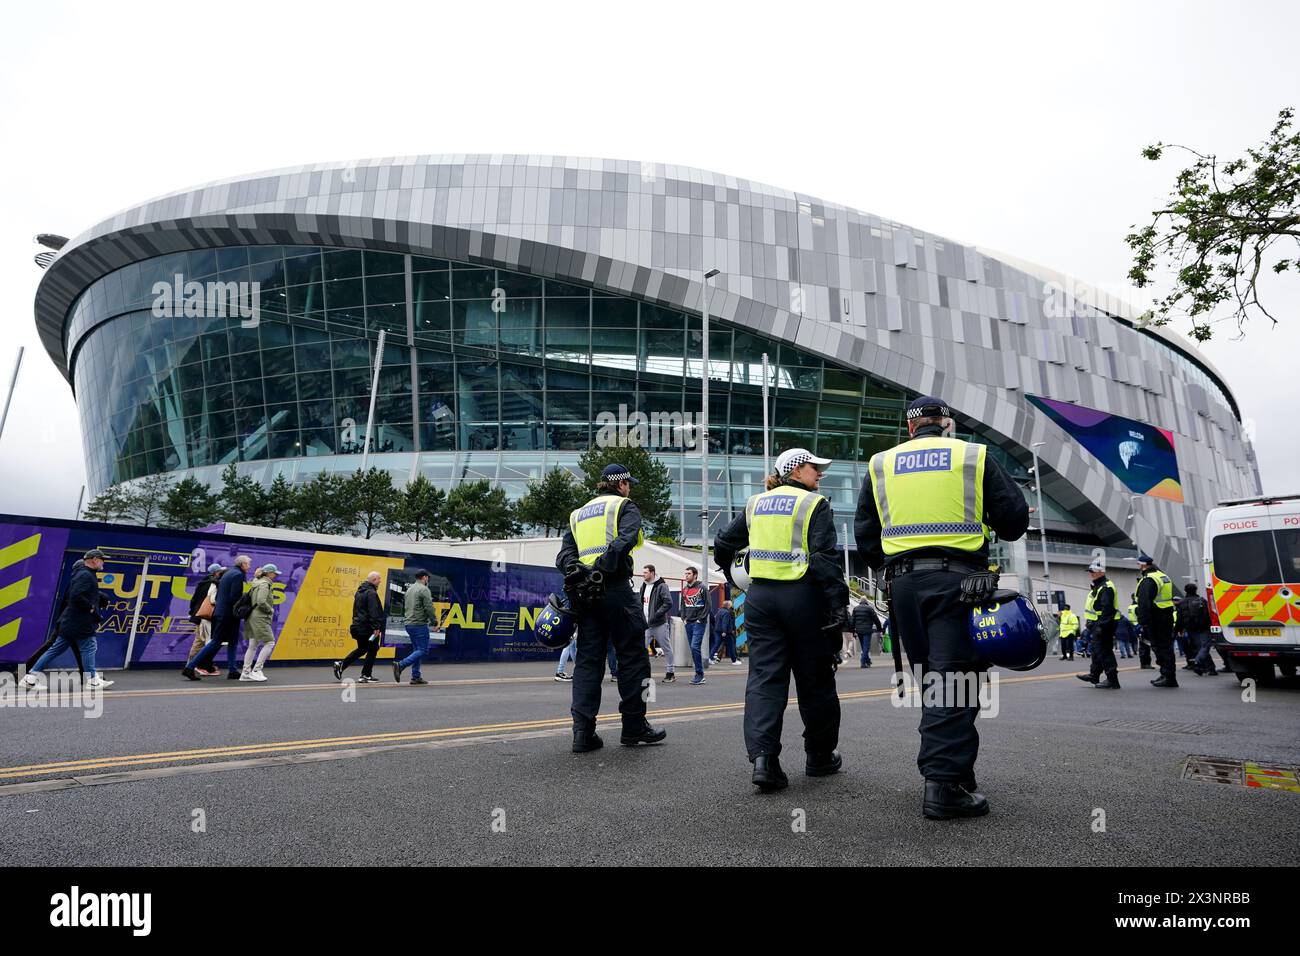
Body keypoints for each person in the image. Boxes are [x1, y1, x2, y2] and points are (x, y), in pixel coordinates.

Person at [853, 396, 1029, 819]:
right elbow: (1014, 520)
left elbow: (865, 534)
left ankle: (956, 769)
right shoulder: (973, 455)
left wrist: (894, 568)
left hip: (905, 586)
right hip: (959, 581)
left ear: (910, 428)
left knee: (935, 677)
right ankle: (943, 786)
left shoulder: (881, 464)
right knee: (954, 678)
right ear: (946, 424)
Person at [716, 447, 848, 793]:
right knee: (815, 679)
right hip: (803, 597)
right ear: (795, 470)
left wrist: (734, 579)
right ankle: (819, 757)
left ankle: (764, 761)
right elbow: (824, 558)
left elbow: (724, 542)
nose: (819, 473)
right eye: (813, 467)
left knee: (764, 678)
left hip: (760, 600)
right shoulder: (813, 505)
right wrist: (838, 607)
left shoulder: (755, 503)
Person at [556, 463, 666, 753]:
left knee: (588, 663)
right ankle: (634, 727)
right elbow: (627, 538)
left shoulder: (577, 515)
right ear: (621, 484)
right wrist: (604, 566)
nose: (630, 487)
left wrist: (578, 571)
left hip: (586, 595)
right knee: (634, 659)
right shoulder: (625, 506)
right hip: (616, 590)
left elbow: (565, 555)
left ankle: (582, 733)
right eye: (628, 483)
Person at [21, 550, 112, 689]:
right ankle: (93, 680)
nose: (103, 562)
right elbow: (76, 596)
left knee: (54, 650)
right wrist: (91, 608)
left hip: (70, 622)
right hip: (79, 621)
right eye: (101, 559)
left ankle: (30, 677)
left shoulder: (83, 575)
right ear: (94, 559)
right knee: (89, 647)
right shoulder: (85, 575)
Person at [183, 555, 252, 680]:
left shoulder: (228, 573)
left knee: (232, 642)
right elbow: (234, 597)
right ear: (242, 564)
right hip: (229, 614)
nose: (249, 566)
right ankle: (190, 667)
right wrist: (244, 601)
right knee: (216, 641)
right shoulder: (238, 575)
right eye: (248, 564)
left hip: (221, 612)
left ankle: (232, 670)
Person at [1136, 553, 1178, 688]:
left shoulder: (1148, 579)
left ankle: (1168, 676)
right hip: (1166, 616)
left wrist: (1143, 622)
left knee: (1160, 647)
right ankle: (1166, 674)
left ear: (1143, 565)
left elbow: (1144, 602)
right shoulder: (1163, 576)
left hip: (1156, 618)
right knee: (1166, 647)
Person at [334, 571, 385, 683]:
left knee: (363, 648)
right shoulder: (371, 593)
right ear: (373, 580)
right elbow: (373, 611)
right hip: (368, 627)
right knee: (373, 649)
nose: (380, 581)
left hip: (358, 626)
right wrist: (376, 627)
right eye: (379, 579)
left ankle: (342, 664)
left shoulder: (360, 592)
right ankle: (366, 675)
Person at [1077, 561, 1121, 690]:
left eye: (1093, 572)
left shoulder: (1106, 587)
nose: (1091, 574)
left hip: (1104, 623)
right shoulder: (1098, 586)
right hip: (1098, 623)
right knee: (1097, 651)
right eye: (1090, 572)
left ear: (1101, 572)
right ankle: (1094, 675)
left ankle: (1112, 680)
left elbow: (1107, 609)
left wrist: (1101, 626)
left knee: (1104, 651)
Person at [182, 563, 224, 673]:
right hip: (206, 616)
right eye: (220, 572)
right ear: (216, 573)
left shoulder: (202, 582)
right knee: (202, 642)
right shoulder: (214, 583)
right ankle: (196, 665)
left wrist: (192, 612)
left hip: (198, 615)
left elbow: (194, 599)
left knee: (200, 641)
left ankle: (191, 664)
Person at [240, 565, 279, 682]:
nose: (276, 575)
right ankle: (257, 670)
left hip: (252, 617)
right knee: (270, 642)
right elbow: (261, 601)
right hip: (260, 617)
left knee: (253, 645)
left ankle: (245, 673)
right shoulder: (265, 584)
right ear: (269, 573)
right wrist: (270, 609)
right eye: (274, 573)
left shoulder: (256, 582)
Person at [395, 569, 434, 685]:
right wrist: (435, 621)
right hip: (419, 624)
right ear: (425, 577)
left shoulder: (409, 590)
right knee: (423, 649)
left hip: (409, 624)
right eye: (427, 578)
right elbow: (429, 607)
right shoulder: (424, 589)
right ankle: (400, 665)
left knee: (417, 650)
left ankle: (416, 676)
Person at [640, 564, 675, 682]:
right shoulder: (644, 586)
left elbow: (668, 602)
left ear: (652, 573)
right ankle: (642, 673)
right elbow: (641, 603)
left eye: (645, 572)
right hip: (646, 624)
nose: (643, 574)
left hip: (659, 623)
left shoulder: (661, 585)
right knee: (641, 648)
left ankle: (670, 672)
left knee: (666, 648)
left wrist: (656, 615)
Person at [680, 567, 710, 685]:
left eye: (689, 573)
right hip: (688, 622)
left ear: (695, 575)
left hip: (699, 623)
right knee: (693, 648)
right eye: (685, 573)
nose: (686, 575)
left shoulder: (702, 588)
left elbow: (708, 605)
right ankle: (698, 673)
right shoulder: (685, 589)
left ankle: (699, 674)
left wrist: (700, 619)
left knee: (694, 647)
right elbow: (682, 605)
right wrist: (684, 618)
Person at [1182, 583, 1218, 676]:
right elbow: (1209, 614)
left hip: (1191, 628)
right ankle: (1198, 663)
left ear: (1185, 590)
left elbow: (1180, 618)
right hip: (1203, 627)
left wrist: (1178, 629)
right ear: (1196, 590)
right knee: (1205, 647)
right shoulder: (1202, 600)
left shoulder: (1183, 602)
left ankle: (1210, 668)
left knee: (1200, 648)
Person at [852, 600, 880, 668]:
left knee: (863, 647)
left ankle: (868, 660)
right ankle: (862, 662)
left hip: (859, 630)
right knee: (866, 647)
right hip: (867, 630)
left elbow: (852, 620)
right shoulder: (869, 608)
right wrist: (879, 628)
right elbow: (875, 619)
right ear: (866, 602)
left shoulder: (855, 609)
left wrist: (853, 631)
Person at [710, 600, 740, 665]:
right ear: (728, 605)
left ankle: (710, 658)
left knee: (716, 645)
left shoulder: (719, 611)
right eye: (731, 604)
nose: (731, 605)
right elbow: (725, 622)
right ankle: (734, 661)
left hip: (718, 631)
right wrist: (724, 631)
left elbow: (717, 621)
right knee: (731, 646)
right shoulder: (726, 612)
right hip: (726, 632)